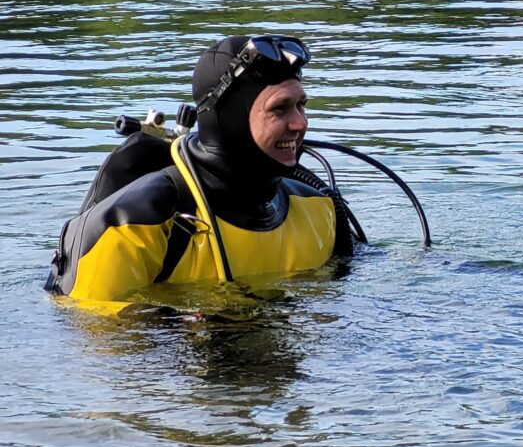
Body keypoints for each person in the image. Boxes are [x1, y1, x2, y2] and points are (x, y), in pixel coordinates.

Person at [46, 35, 353, 303]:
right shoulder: (133, 226)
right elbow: (92, 344)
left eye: (302, 105)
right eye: (279, 109)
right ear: (231, 120)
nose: (300, 124)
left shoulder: (319, 208)